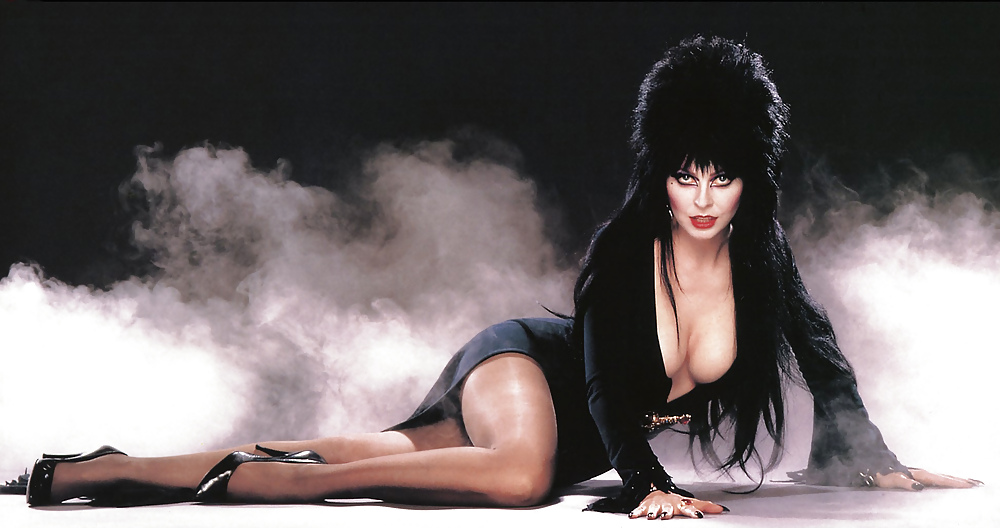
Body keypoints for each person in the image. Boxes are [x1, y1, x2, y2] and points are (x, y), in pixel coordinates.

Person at [23, 35, 979, 519]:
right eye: (684, 174)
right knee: (517, 477)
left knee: (350, 448)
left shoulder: (764, 261)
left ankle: (86, 471)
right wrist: (646, 483)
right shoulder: (625, 250)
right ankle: (281, 488)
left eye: (720, 178)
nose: (700, 198)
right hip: (527, 374)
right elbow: (601, 383)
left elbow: (824, 357)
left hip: (572, 443)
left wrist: (872, 456)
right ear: (660, 169)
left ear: (748, 181)